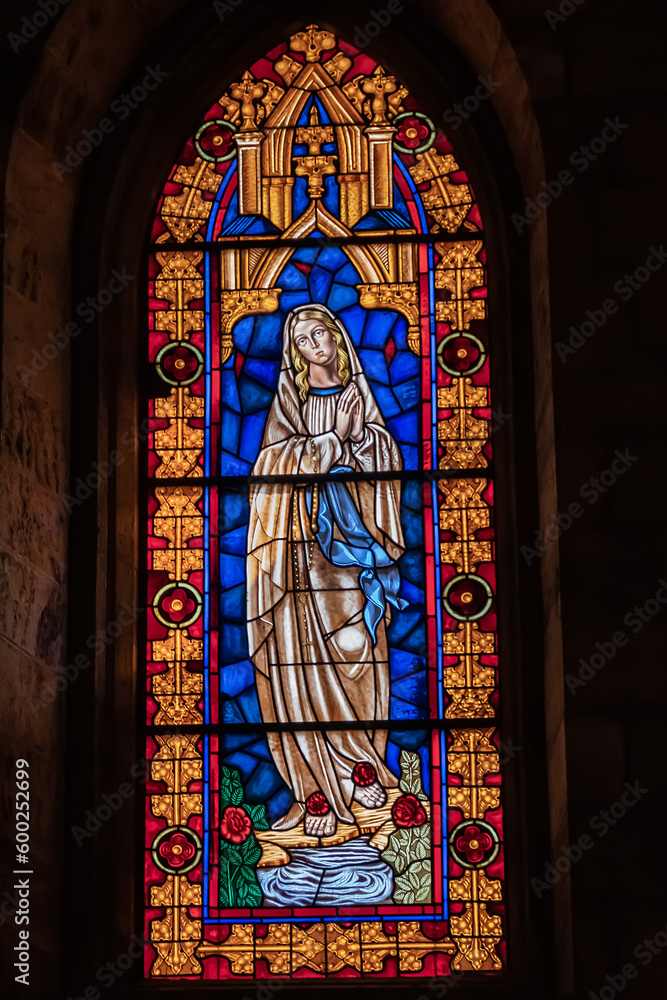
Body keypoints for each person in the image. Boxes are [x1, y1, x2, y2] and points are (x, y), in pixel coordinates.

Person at [246, 303, 407, 838]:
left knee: (358, 645)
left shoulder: (360, 397)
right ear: (295, 352)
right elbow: (269, 466)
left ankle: (362, 766)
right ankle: (316, 789)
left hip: (352, 550)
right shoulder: (288, 406)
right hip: (298, 552)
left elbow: (385, 460)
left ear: (337, 336)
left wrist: (359, 443)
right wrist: (328, 442)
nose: (318, 342)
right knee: (298, 659)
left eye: (323, 332)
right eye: (306, 337)